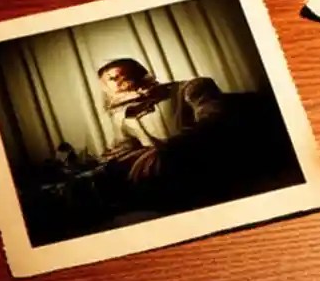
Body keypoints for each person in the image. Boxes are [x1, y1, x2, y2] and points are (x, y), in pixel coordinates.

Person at [94, 57, 254, 211]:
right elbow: (122, 150)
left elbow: (214, 122)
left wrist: (164, 151)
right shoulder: (121, 117)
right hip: (163, 181)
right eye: (110, 79)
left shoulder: (192, 87)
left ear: (140, 71)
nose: (117, 79)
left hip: (210, 164)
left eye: (121, 72)